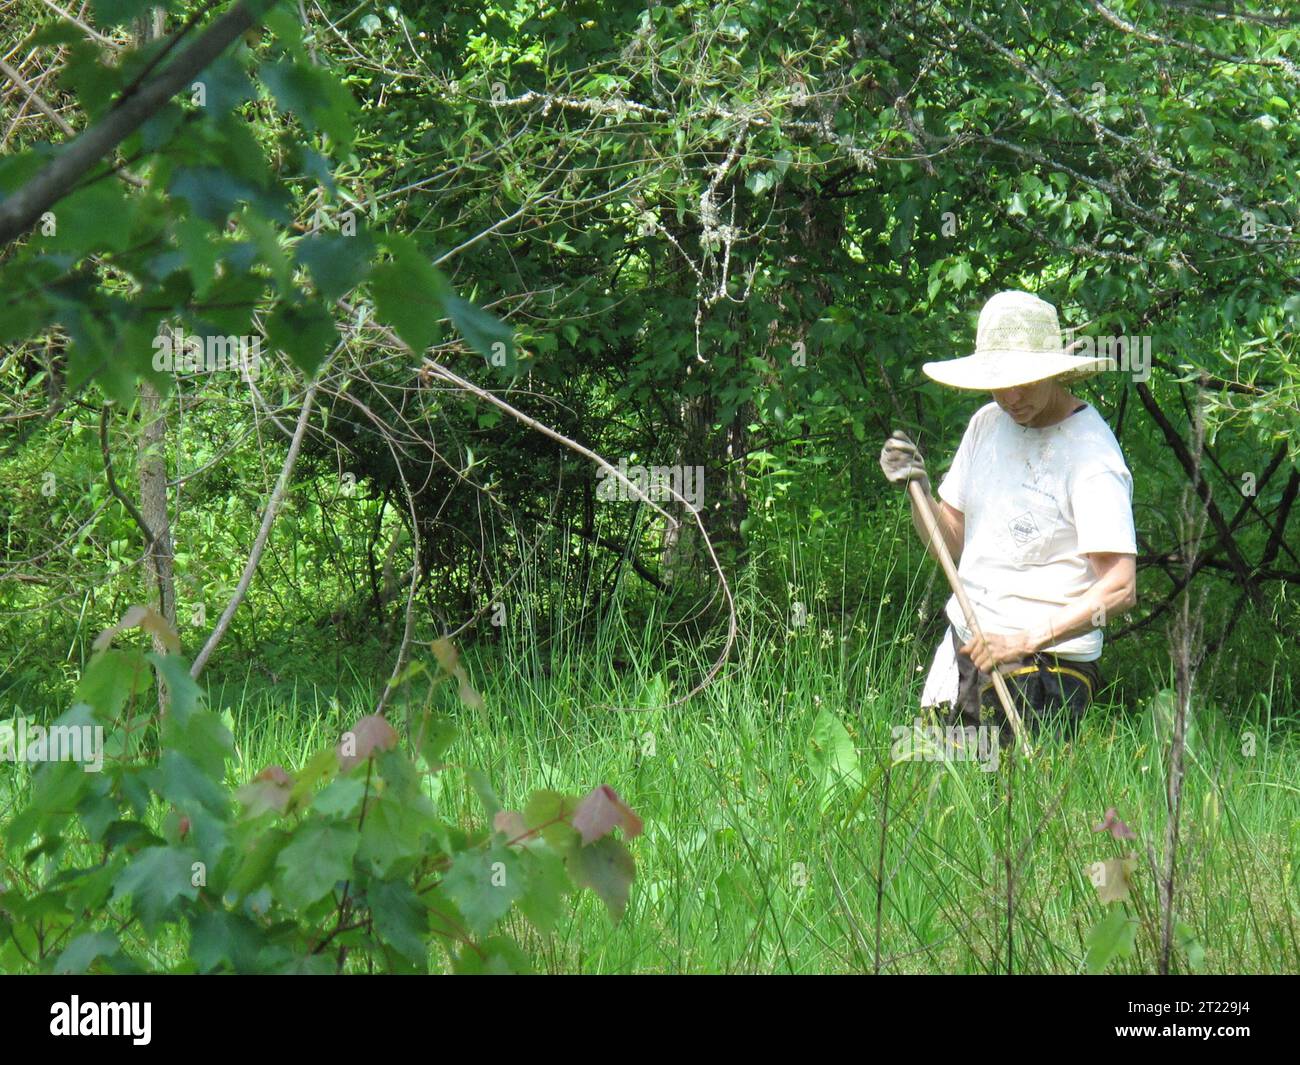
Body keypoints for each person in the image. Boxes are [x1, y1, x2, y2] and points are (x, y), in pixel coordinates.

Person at [879, 290, 1138, 742]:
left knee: (1015, 802)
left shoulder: (1091, 455)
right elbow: (952, 542)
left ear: (1053, 373)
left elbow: (1120, 587)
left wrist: (1021, 641)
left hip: (1047, 666)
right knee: (943, 797)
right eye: (999, 382)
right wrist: (915, 489)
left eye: (1025, 381)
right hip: (966, 644)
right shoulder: (985, 424)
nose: (1011, 396)